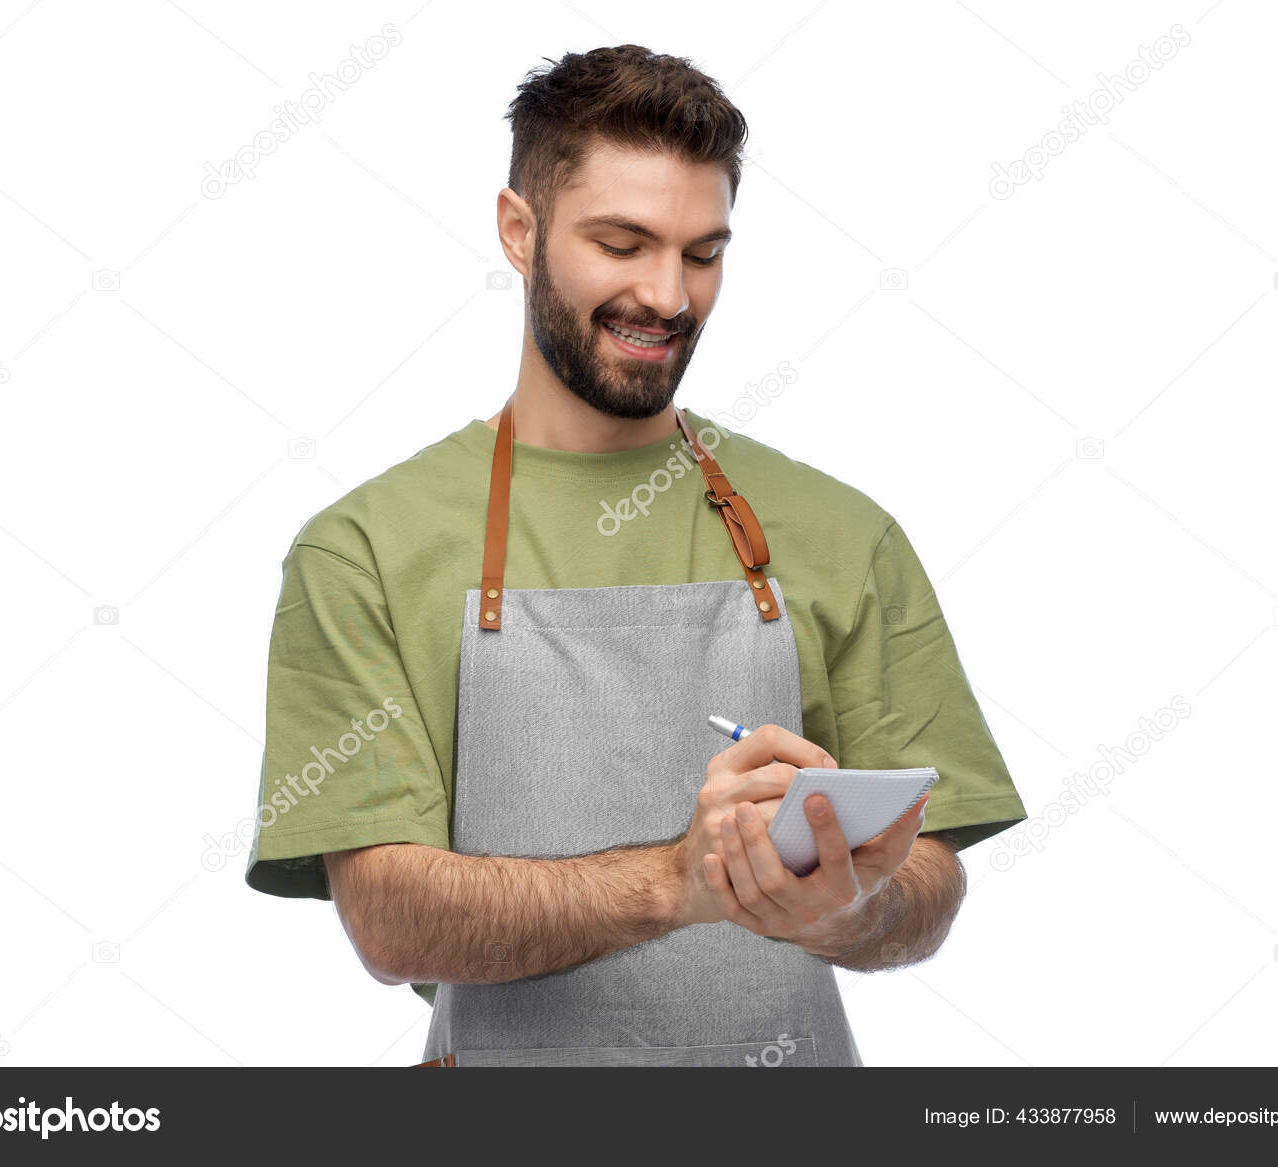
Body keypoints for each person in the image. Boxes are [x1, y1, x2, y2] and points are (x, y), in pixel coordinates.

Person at [243, 44, 1027, 1067]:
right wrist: (679, 882)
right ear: (518, 232)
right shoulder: (366, 551)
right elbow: (389, 918)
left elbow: (927, 882)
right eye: (622, 243)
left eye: (703, 254)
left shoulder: (842, 534)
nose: (668, 296)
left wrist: (844, 908)